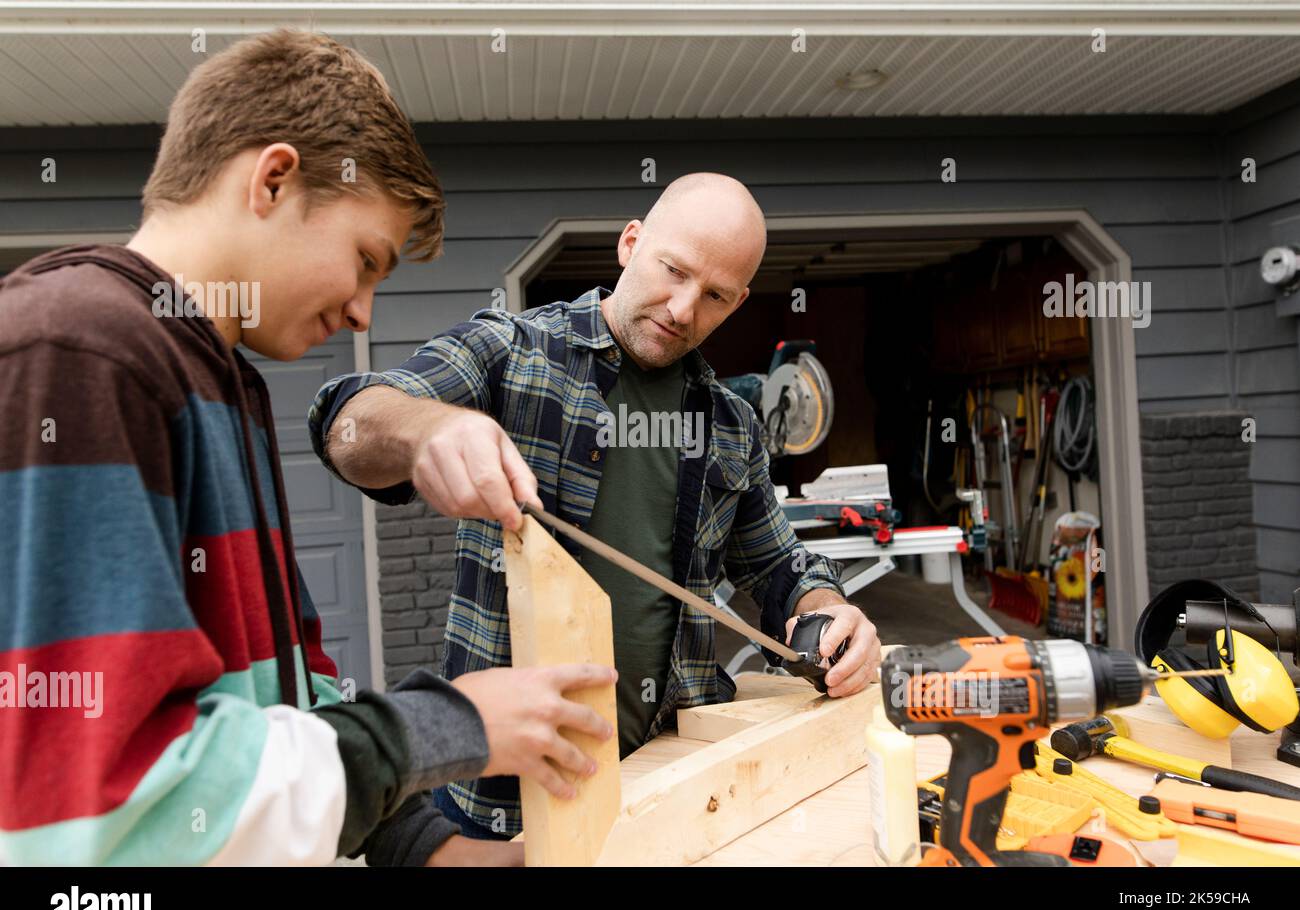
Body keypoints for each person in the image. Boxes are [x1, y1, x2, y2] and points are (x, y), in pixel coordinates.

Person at [0, 29, 614, 867]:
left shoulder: (221, 381)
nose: (363, 311)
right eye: (365, 260)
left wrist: (446, 855)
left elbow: (290, 702)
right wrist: (450, 726)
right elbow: (99, 813)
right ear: (274, 178)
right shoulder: (80, 353)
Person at [309, 172, 883, 841]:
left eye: (716, 296)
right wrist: (426, 430)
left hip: (675, 779)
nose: (683, 307)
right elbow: (347, 421)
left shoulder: (730, 421)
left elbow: (779, 567)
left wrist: (829, 613)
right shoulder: (511, 354)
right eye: (674, 271)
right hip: (508, 801)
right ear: (631, 243)